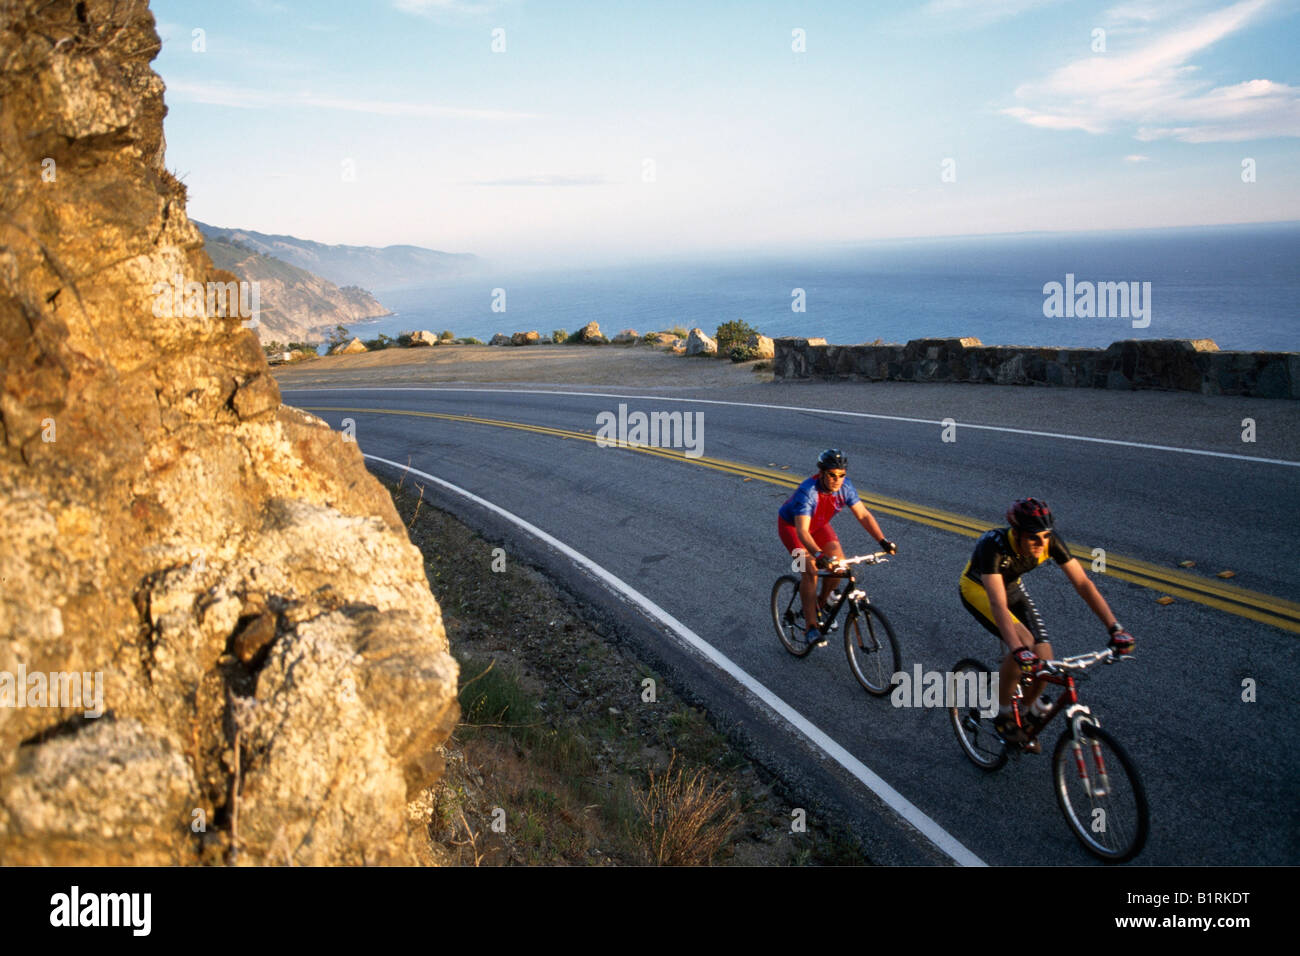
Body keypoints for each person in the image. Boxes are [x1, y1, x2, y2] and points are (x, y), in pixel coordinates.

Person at [959, 497, 1134, 751]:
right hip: (980, 591)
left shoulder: (1048, 541)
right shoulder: (993, 546)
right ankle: (1003, 713)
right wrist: (1017, 649)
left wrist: (1114, 628)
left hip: (1013, 588)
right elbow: (997, 604)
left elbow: (1084, 584)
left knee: (1044, 659)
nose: (1041, 544)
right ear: (1016, 533)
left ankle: (1028, 714)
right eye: (1033, 538)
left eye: (1045, 536)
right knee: (1024, 645)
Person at [778, 449, 896, 647]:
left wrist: (882, 541)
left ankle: (821, 603)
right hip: (793, 530)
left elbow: (863, 515)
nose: (837, 480)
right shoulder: (808, 492)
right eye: (832, 475)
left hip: (819, 525)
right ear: (822, 473)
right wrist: (818, 555)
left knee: (839, 565)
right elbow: (802, 532)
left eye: (841, 475)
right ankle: (811, 628)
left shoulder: (845, 488)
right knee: (810, 570)